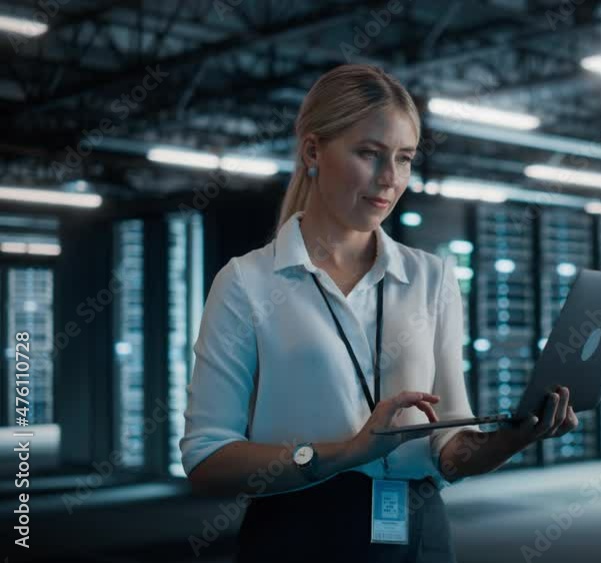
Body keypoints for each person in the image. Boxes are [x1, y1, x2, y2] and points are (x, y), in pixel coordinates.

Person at [180, 64, 578, 562]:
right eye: (369, 154)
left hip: (419, 534)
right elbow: (206, 460)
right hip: (297, 535)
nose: (390, 178)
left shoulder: (432, 277)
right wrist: (349, 452)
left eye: (404, 158)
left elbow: (449, 449)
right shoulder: (247, 282)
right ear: (313, 152)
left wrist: (512, 440)